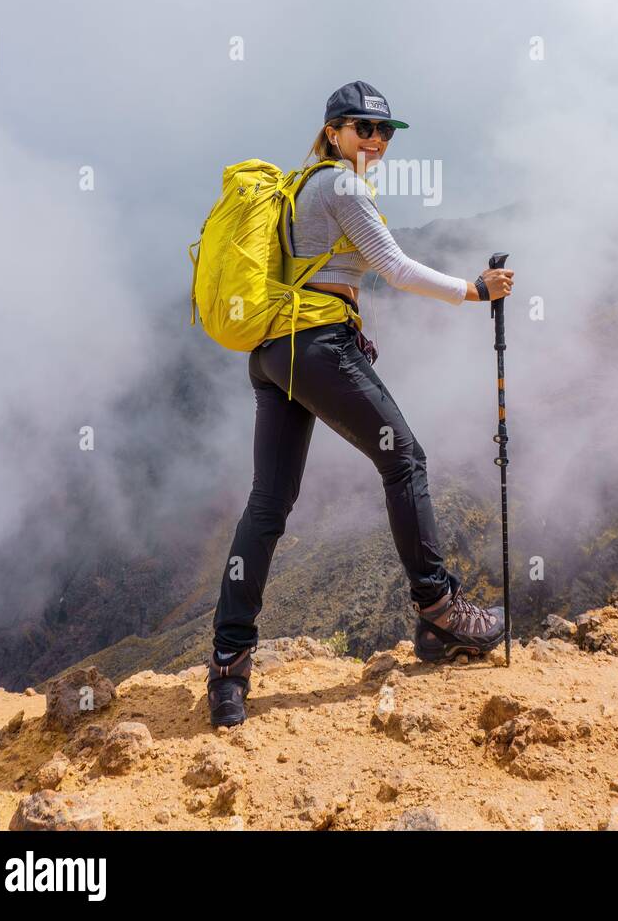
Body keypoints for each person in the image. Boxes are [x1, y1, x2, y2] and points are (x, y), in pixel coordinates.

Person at [206, 80, 514, 726]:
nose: (375, 140)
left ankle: (229, 669)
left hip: (274, 355)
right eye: (362, 128)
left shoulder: (299, 186)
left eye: (385, 131)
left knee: (267, 505)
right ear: (333, 130)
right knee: (405, 461)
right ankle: (440, 612)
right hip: (316, 346)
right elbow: (394, 267)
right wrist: (476, 290)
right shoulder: (342, 186)